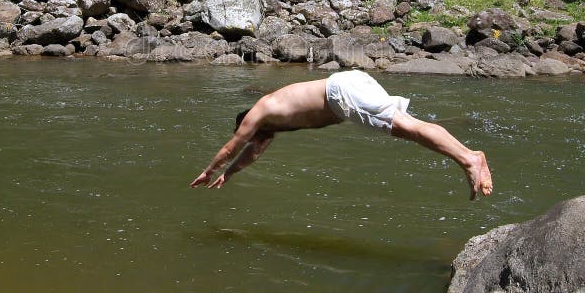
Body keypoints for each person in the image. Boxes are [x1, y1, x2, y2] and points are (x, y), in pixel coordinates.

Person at [190, 70, 493, 200]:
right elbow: (251, 153)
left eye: (248, 135)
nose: (252, 141)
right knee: (409, 128)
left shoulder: (259, 112)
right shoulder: (271, 125)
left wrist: (209, 170)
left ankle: (469, 159)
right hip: (349, 86)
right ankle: (471, 157)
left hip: (341, 93)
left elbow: (232, 148)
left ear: (248, 126)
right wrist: (229, 174)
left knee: (410, 129)